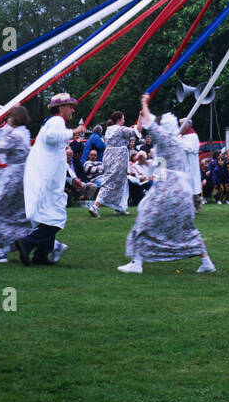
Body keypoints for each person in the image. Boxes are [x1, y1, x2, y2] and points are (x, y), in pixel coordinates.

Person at [117, 94, 215, 275]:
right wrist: (145, 163)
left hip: (169, 190)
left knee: (145, 219)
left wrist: (144, 104)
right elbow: (161, 170)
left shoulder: (167, 140)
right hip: (180, 191)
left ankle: (137, 262)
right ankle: (206, 261)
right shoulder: (171, 144)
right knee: (186, 228)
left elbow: (152, 127)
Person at [17, 93, 86, 267]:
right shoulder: (56, 122)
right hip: (45, 178)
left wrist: (73, 179)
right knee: (55, 217)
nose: (73, 109)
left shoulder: (54, 123)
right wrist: (74, 132)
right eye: (70, 106)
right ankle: (28, 242)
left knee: (50, 216)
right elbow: (52, 137)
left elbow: (60, 158)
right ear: (61, 108)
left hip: (47, 178)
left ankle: (41, 255)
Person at [0, 106, 34, 263]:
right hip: (22, 176)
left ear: (14, 118)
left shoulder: (16, 135)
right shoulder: (24, 131)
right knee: (18, 214)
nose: (7, 119)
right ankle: (46, 244)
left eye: (9, 116)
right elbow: (7, 135)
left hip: (13, 176)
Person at [89, 112, 134, 217]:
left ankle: (120, 207)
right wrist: (141, 116)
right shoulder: (121, 129)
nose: (124, 121)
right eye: (123, 119)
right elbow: (136, 132)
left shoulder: (109, 130)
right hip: (118, 160)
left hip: (108, 159)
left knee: (121, 182)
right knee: (110, 183)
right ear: (119, 119)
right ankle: (95, 206)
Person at [179, 119, 203, 211]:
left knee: (192, 186)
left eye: (181, 125)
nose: (180, 127)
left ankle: (197, 203)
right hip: (182, 165)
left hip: (190, 164)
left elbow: (190, 148)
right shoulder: (180, 136)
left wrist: (177, 144)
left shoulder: (193, 136)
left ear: (187, 125)